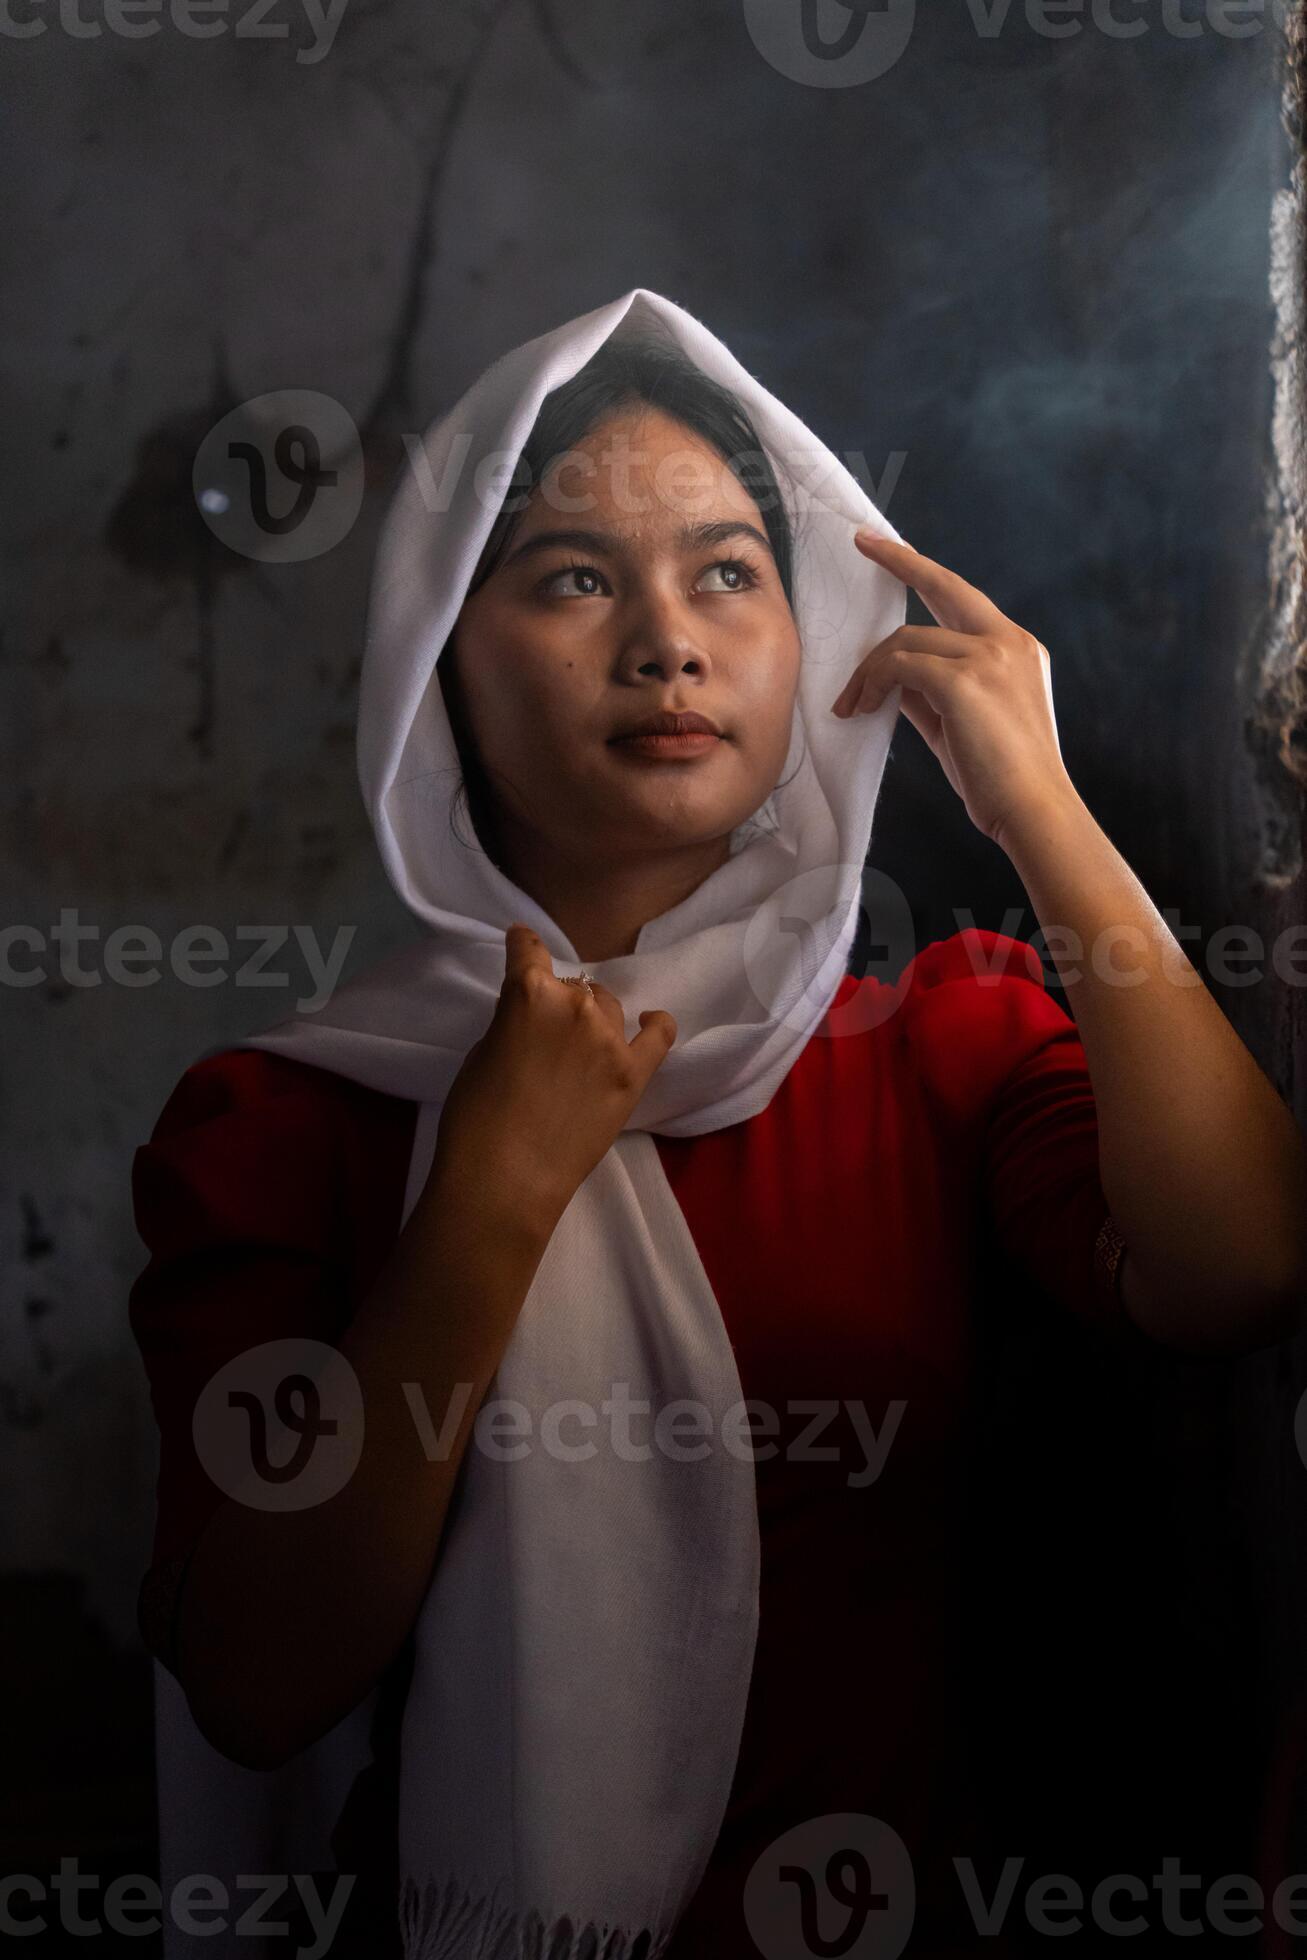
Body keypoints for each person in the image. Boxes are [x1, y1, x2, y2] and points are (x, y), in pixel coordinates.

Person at [129, 288, 1307, 1960]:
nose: (666, 640)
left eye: (730, 573)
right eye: (573, 578)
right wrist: (484, 1209)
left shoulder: (936, 1041)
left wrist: (1038, 804)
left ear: (812, 636)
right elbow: (256, 1680)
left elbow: (1250, 1263)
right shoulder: (292, 1118)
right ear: (438, 670)